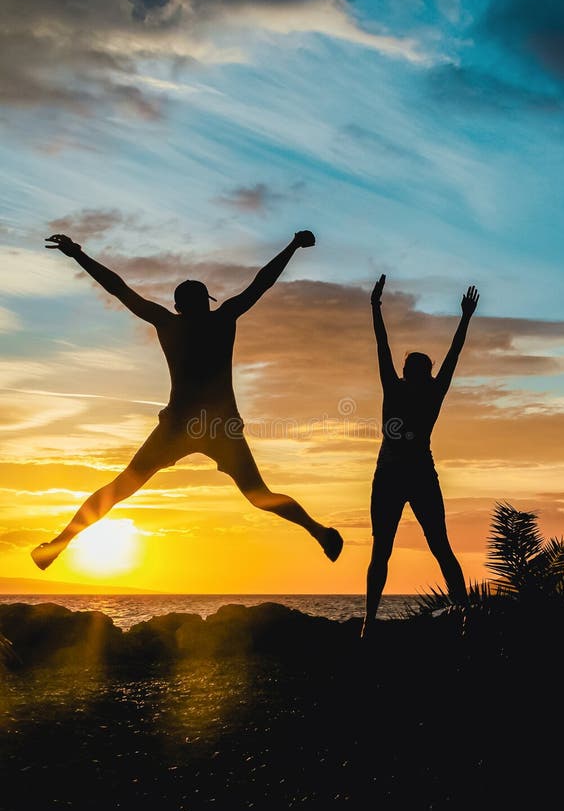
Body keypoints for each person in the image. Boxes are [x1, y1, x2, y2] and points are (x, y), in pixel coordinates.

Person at [32, 231, 343, 571]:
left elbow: (119, 288)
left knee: (121, 487)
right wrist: (292, 246)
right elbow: (261, 283)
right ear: (206, 302)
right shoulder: (223, 318)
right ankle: (319, 532)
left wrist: (78, 255)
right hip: (219, 425)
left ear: (178, 307)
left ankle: (58, 545)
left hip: (180, 425)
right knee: (259, 495)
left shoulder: (168, 322)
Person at [361, 275, 479, 638]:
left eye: (416, 369)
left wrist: (465, 318)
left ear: (420, 374)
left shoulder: (424, 392)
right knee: (385, 550)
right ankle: (370, 620)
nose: (411, 373)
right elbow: (383, 346)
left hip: (413, 474)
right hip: (395, 474)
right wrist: (375, 307)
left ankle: (465, 614)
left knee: (436, 545)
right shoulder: (408, 389)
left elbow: (452, 355)